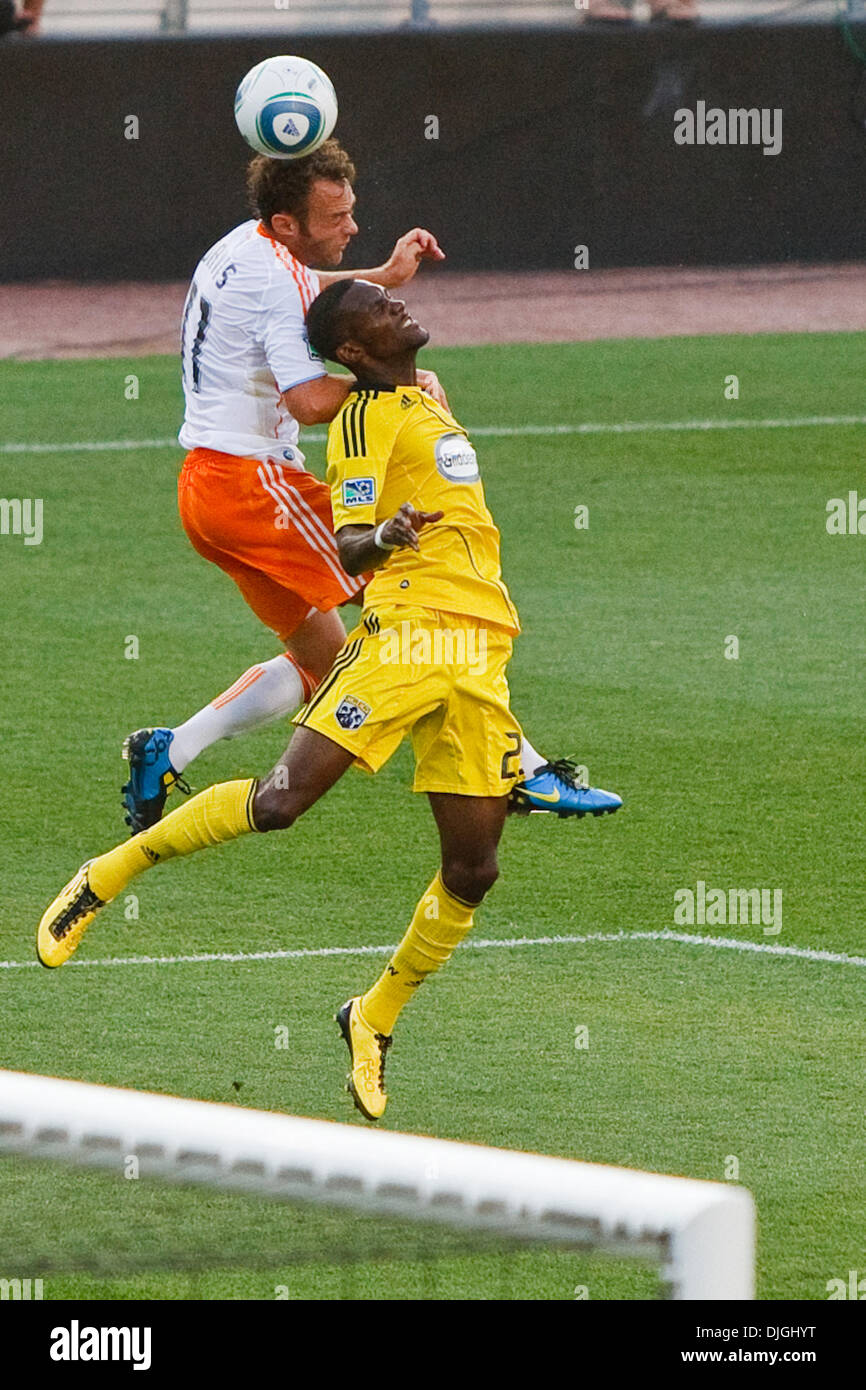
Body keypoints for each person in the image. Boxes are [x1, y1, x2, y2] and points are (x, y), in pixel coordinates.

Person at [37, 280, 622, 1121]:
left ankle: (372, 1018)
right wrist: (384, 536)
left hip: (479, 649)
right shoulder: (361, 419)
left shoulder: (425, 397)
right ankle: (106, 874)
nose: (399, 309)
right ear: (353, 349)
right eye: (379, 309)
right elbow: (349, 545)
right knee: (280, 804)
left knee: (475, 867)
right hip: (405, 638)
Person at [121, 142, 620, 834]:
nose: (351, 227)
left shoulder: (248, 245)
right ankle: (523, 767)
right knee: (427, 600)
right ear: (288, 223)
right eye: (336, 217)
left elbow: (297, 285)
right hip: (255, 486)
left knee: (326, 661)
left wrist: (380, 275)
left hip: (210, 493)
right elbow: (308, 401)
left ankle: (170, 748)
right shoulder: (276, 279)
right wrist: (396, 383)